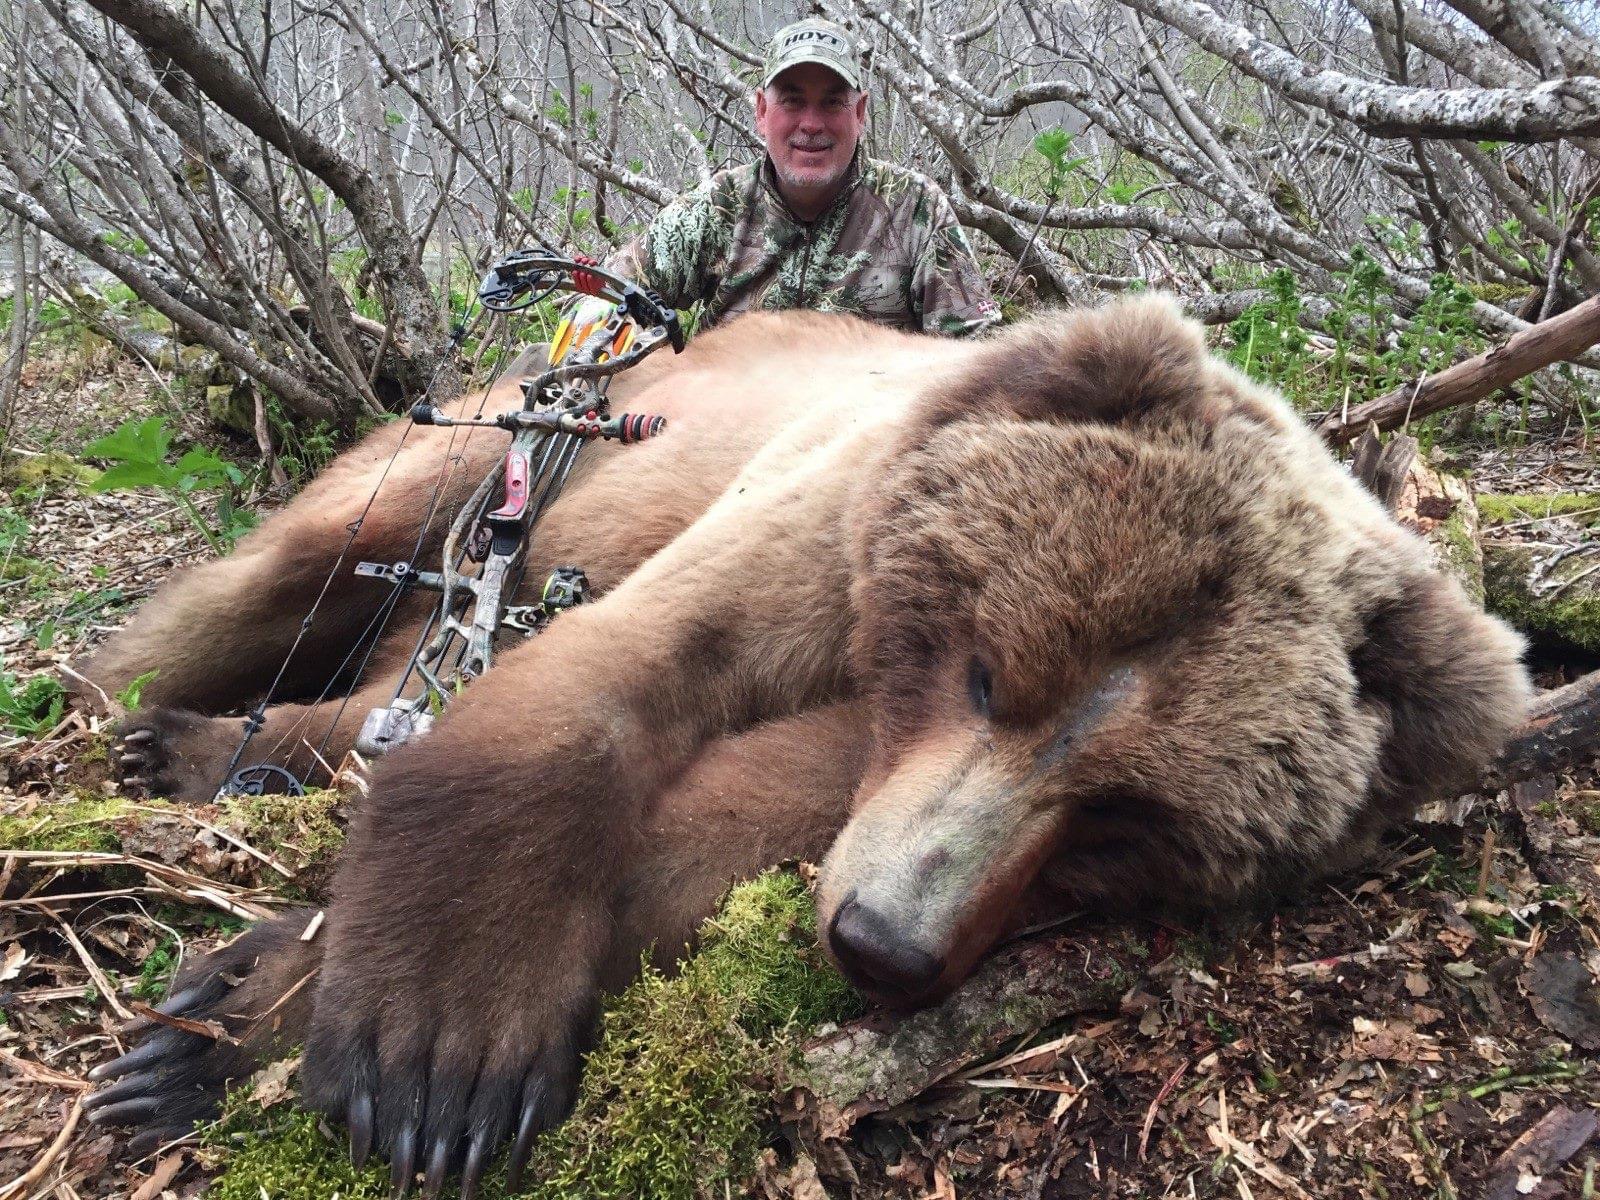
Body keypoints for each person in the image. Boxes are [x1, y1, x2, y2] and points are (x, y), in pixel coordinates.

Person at [599, 18, 1001, 337]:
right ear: (761, 111)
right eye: (792, 101)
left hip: (868, 413)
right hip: (732, 410)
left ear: (860, 113)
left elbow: (976, 355)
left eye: (832, 102)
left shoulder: (913, 208)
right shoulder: (719, 207)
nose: (811, 124)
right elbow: (604, 299)